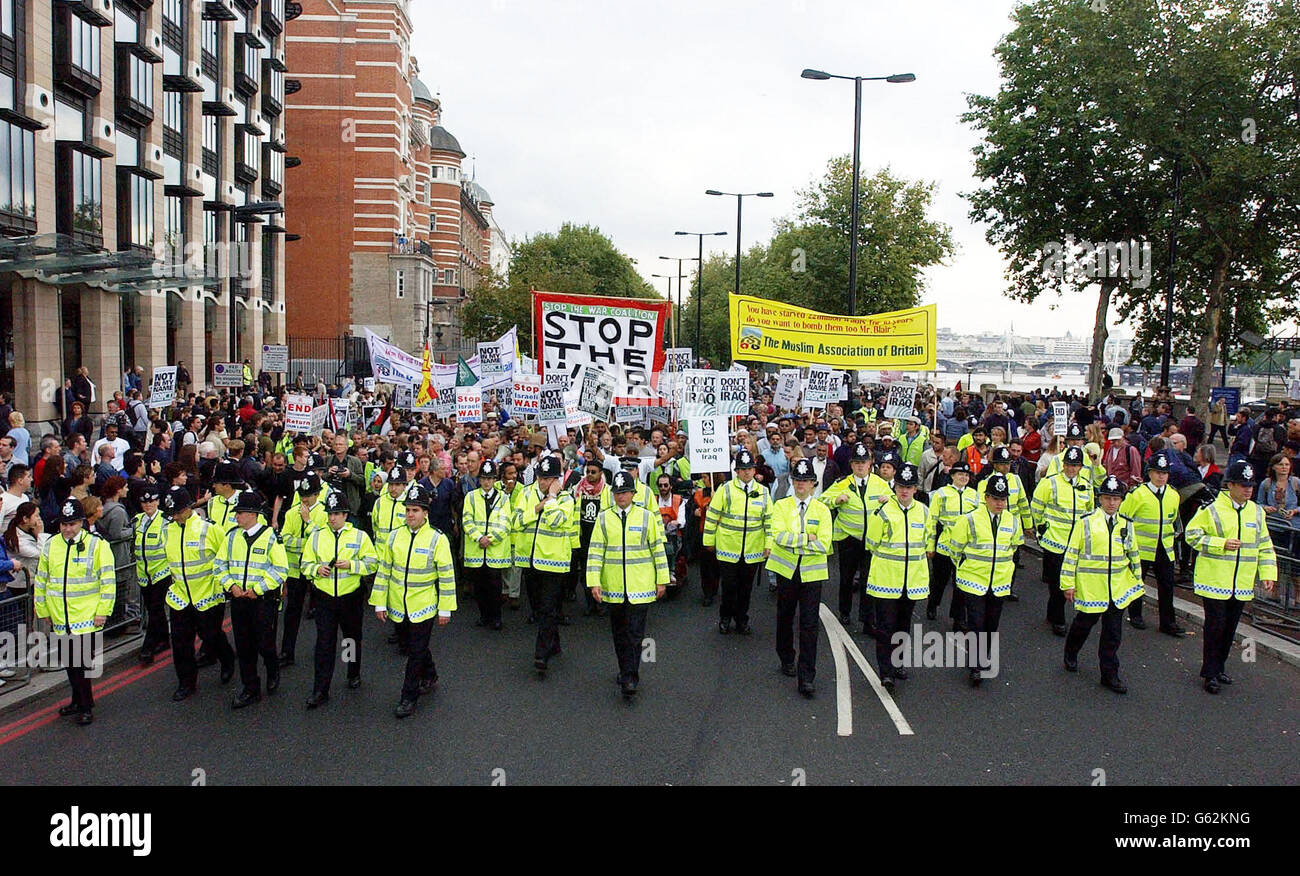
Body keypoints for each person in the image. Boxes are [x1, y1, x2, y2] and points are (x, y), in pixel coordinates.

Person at [1186, 460, 1277, 694]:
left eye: (1251, 486)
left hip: (1242, 583)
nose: (1248, 490)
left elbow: (1265, 546)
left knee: (1229, 629)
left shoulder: (1256, 512)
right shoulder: (1212, 508)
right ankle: (1209, 673)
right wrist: (1220, 544)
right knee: (1215, 627)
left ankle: (1219, 667)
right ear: (1231, 485)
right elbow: (1192, 536)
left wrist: (1268, 573)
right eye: (1243, 485)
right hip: (1214, 580)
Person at [371, 483, 456, 718]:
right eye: (408, 510)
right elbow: (384, 571)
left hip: (424, 606)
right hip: (398, 605)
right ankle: (430, 674)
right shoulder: (394, 537)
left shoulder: (437, 540)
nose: (410, 515)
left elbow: (447, 577)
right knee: (414, 647)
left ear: (425, 513)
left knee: (415, 652)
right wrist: (380, 602)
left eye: (416, 510)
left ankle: (408, 697)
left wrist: (445, 609)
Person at [586, 470, 669, 698]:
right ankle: (625, 670)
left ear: (633, 493)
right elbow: (595, 552)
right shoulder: (603, 518)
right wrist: (594, 583)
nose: (621, 496)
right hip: (613, 587)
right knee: (619, 632)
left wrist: (662, 580)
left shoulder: (646, 517)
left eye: (625, 492)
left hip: (640, 586)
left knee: (635, 633)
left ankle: (631, 676)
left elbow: (657, 551)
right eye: (617, 492)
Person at [34, 498, 116, 725]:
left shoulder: (97, 545)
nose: (68, 529)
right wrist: (43, 609)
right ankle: (76, 700)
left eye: (72, 524)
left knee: (80, 663)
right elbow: (42, 580)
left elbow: (108, 581)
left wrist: (103, 611)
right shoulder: (51, 545)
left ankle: (86, 705)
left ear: (81, 522)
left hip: (87, 616)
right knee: (69, 662)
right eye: (64, 524)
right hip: (60, 617)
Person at [1061, 475, 1143, 694]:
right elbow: (1072, 554)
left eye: (1116, 499)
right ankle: (1071, 651)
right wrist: (1068, 584)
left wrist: (1137, 582)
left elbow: (1133, 554)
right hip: (1091, 587)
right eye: (1108, 498)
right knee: (1083, 625)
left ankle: (1109, 674)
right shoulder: (1086, 522)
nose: (1112, 503)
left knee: (1112, 634)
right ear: (1100, 499)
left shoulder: (1126, 524)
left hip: (1117, 589)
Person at [301, 491, 378, 708]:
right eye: (329, 514)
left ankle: (352, 670)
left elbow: (372, 563)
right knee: (324, 643)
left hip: (350, 597)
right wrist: (317, 569)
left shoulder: (359, 537)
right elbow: (305, 565)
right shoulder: (316, 536)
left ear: (345, 515)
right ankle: (320, 689)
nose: (332, 518)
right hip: (324, 598)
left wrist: (352, 566)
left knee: (350, 638)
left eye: (336, 514)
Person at [765, 458, 832, 697]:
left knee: (809, 624)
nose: (801, 485)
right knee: (785, 616)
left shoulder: (822, 510)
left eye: (806, 481)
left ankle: (807, 676)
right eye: (797, 480)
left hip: (812, 575)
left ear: (813, 484)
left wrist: (797, 541)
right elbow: (779, 537)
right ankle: (786, 657)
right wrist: (807, 540)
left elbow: (824, 544)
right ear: (792, 482)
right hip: (786, 571)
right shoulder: (781, 506)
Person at [864, 462, 935, 691]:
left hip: (911, 581)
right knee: (885, 628)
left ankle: (898, 664)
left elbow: (927, 539)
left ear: (916, 489)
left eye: (909, 486)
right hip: (886, 580)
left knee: (903, 626)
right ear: (894, 487)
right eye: (900, 486)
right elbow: (872, 543)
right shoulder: (882, 510)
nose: (904, 491)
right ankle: (886, 672)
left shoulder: (923, 511)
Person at [947, 473, 1023, 686]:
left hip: (999, 582)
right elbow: (955, 549)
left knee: (991, 624)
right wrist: (965, 568)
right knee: (976, 623)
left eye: (1003, 499)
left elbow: (1014, 546)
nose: (1000, 503)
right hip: (974, 580)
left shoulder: (1012, 521)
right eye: (996, 499)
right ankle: (975, 665)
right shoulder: (969, 519)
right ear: (987, 498)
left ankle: (983, 656)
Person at [215, 491, 287, 709]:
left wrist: (258, 588)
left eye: (241, 513)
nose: (236, 516)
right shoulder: (231, 537)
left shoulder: (270, 537)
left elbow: (281, 569)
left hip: (263, 601)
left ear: (253, 514)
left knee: (264, 643)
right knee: (244, 646)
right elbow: (219, 565)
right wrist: (232, 586)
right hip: (239, 601)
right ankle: (250, 688)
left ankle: (272, 668)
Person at [514, 456, 578, 674]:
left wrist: (550, 499)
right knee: (539, 606)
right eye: (542, 478)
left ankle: (541, 654)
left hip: (553, 561)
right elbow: (516, 521)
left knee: (548, 607)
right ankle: (554, 642)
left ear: (557, 480)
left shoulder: (567, 498)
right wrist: (541, 505)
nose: (545, 483)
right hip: (529, 559)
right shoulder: (525, 493)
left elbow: (557, 520)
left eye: (550, 479)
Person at [821, 442, 891, 634]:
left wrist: (889, 501)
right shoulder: (842, 483)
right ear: (851, 465)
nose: (860, 466)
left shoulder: (880, 484)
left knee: (869, 580)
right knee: (847, 578)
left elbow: (894, 504)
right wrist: (836, 500)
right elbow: (822, 501)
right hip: (848, 539)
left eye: (864, 462)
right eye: (857, 462)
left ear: (870, 463)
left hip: (871, 540)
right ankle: (845, 611)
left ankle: (868, 619)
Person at [703, 449, 771, 636]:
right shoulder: (725, 490)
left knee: (746, 589)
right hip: (728, 548)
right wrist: (708, 541)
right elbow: (712, 516)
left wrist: (768, 544)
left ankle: (742, 620)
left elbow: (769, 521)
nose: (747, 472)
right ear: (737, 471)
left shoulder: (763, 492)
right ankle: (725, 618)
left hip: (752, 550)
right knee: (729, 587)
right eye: (743, 469)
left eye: (749, 468)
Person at [1118, 452, 1187, 637]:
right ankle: (1135, 615)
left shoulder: (1173, 495)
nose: (1161, 476)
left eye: (1164, 473)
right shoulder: (1137, 494)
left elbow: (1175, 520)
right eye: (1157, 472)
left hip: (1164, 548)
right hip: (1140, 547)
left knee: (1167, 586)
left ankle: (1168, 622)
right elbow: (1123, 519)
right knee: (1137, 582)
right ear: (1149, 473)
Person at [1031, 445, 1095, 637]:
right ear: (1063, 465)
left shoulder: (1087, 486)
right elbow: (1037, 508)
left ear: (1081, 467)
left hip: (1076, 544)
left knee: (1068, 581)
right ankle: (1058, 619)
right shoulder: (1049, 483)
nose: (1071, 469)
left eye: (1075, 465)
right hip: (1054, 541)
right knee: (1058, 582)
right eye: (1068, 464)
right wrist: (1043, 528)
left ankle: (1053, 613)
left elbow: (1089, 512)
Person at [277, 472, 328, 667]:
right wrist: (305, 543)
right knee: (292, 613)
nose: (304, 499)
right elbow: (285, 539)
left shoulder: (324, 514)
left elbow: (321, 542)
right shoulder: (291, 513)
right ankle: (287, 652)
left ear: (318, 494)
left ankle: (321, 651)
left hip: (315, 571)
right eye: (302, 495)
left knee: (321, 615)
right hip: (295, 571)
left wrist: (308, 522)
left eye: (309, 495)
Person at [927, 459, 979, 628]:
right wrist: (930, 545)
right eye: (960, 474)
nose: (963, 477)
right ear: (952, 476)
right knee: (939, 580)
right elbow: (932, 521)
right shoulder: (941, 494)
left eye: (966, 475)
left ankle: (958, 618)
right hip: (945, 545)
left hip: (965, 548)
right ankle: (933, 604)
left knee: (961, 584)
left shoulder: (974, 495)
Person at [462, 459, 512, 630]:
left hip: (494, 550)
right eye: (483, 478)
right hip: (477, 549)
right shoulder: (471, 497)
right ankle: (484, 615)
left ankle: (496, 617)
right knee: (479, 586)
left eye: (490, 479)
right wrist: (478, 538)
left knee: (494, 586)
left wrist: (490, 538)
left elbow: (506, 522)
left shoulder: (503, 498)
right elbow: (467, 520)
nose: (486, 482)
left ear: (495, 480)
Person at [132, 485, 172, 664]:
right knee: (153, 610)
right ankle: (164, 639)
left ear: (158, 501)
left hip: (161, 574)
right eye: (145, 502)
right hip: (144, 575)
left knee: (155, 611)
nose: (148, 505)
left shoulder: (165, 521)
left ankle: (147, 648)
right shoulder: (137, 521)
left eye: (152, 501)